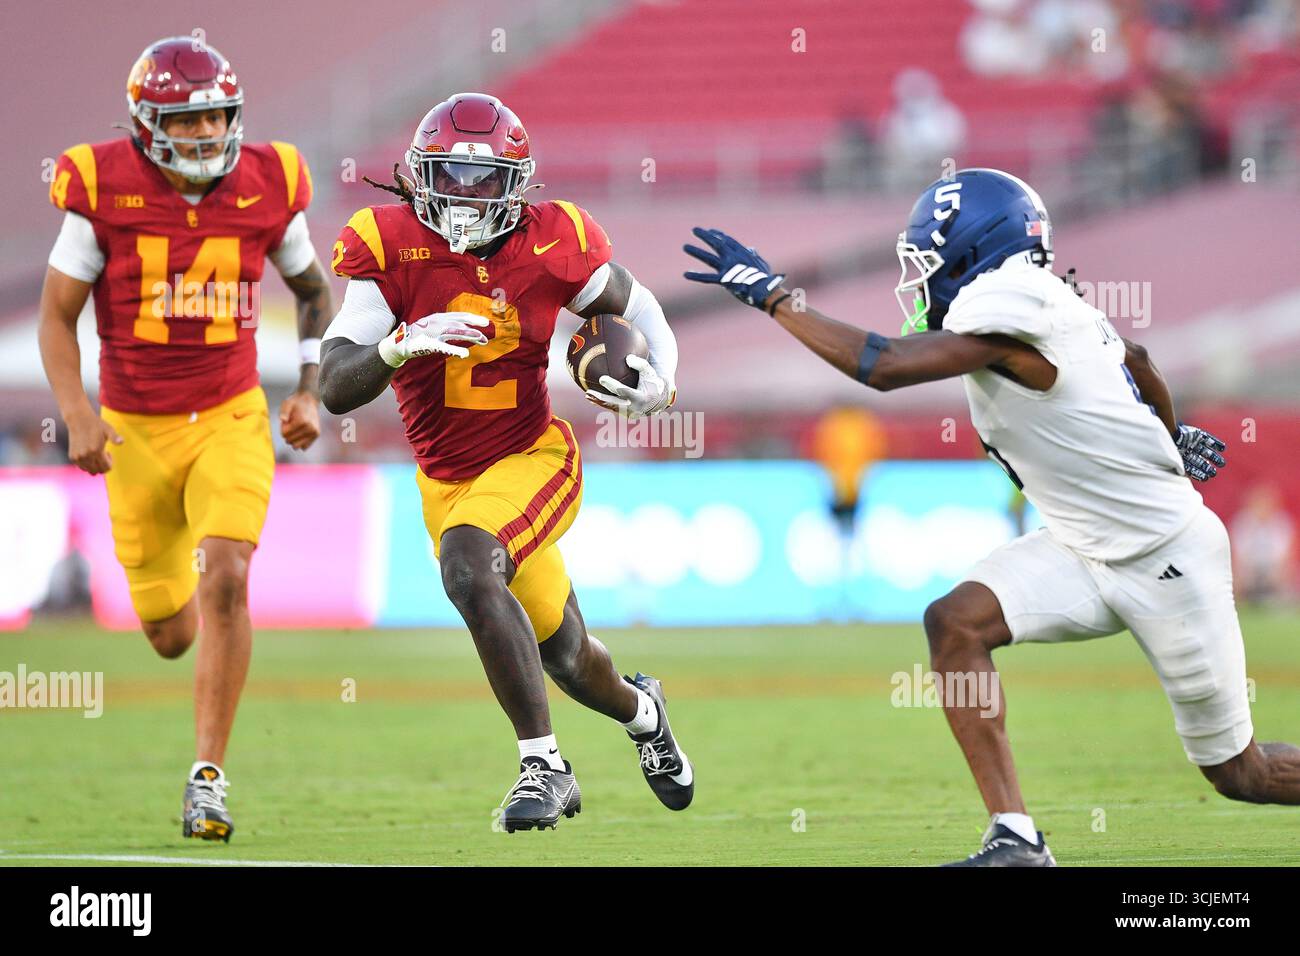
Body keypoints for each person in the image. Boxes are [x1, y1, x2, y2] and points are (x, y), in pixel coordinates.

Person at [684, 166, 1300, 866]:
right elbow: (1138, 357)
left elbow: (882, 366)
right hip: (1082, 547)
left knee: (1240, 775)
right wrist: (1171, 431)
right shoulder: (1044, 300)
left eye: (928, 259)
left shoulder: (1008, 304)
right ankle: (1016, 839)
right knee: (953, 624)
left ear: (975, 253)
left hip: (1164, 556)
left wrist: (774, 298)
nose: (919, 279)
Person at [319, 93, 693, 831]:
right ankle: (645, 712)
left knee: (467, 567)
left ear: (516, 184)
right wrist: (399, 344)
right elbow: (334, 385)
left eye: (480, 180)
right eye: (447, 177)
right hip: (445, 481)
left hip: (533, 456)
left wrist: (664, 381)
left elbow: (639, 305)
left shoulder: (556, 240)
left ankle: (543, 768)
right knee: (568, 656)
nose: (461, 197)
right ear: (420, 176)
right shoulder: (388, 244)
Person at [38, 37, 334, 842]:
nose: (205, 135)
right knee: (170, 635)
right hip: (133, 431)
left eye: (215, 117)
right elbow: (57, 316)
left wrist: (310, 388)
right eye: (186, 120)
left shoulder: (269, 180)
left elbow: (313, 291)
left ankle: (207, 777)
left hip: (230, 415)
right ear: (145, 125)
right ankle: (203, 643)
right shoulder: (102, 184)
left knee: (229, 575)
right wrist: (78, 411)